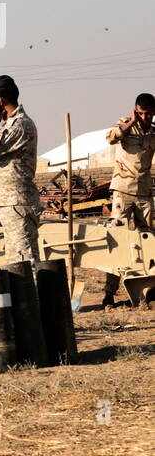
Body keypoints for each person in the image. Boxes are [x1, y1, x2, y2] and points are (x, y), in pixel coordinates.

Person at [0, 75, 40, 264]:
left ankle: (34, 294)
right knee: (15, 262)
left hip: (17, 203)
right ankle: (26, 294)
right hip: (11, 204)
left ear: (0, 100)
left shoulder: (19, 124)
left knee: (25, 260)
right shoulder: (9, 125)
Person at [101, 93, 155, 307]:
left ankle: (150, 289)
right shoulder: (125, 126)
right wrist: (132, 121)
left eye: (148, 114)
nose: (144, 117)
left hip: (144, 194)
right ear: (135, 110)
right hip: (122, 191)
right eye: (140, 113)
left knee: (148, 241)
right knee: (117, 240)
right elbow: (111, 138)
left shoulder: (153, 133)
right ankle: (108, 293)